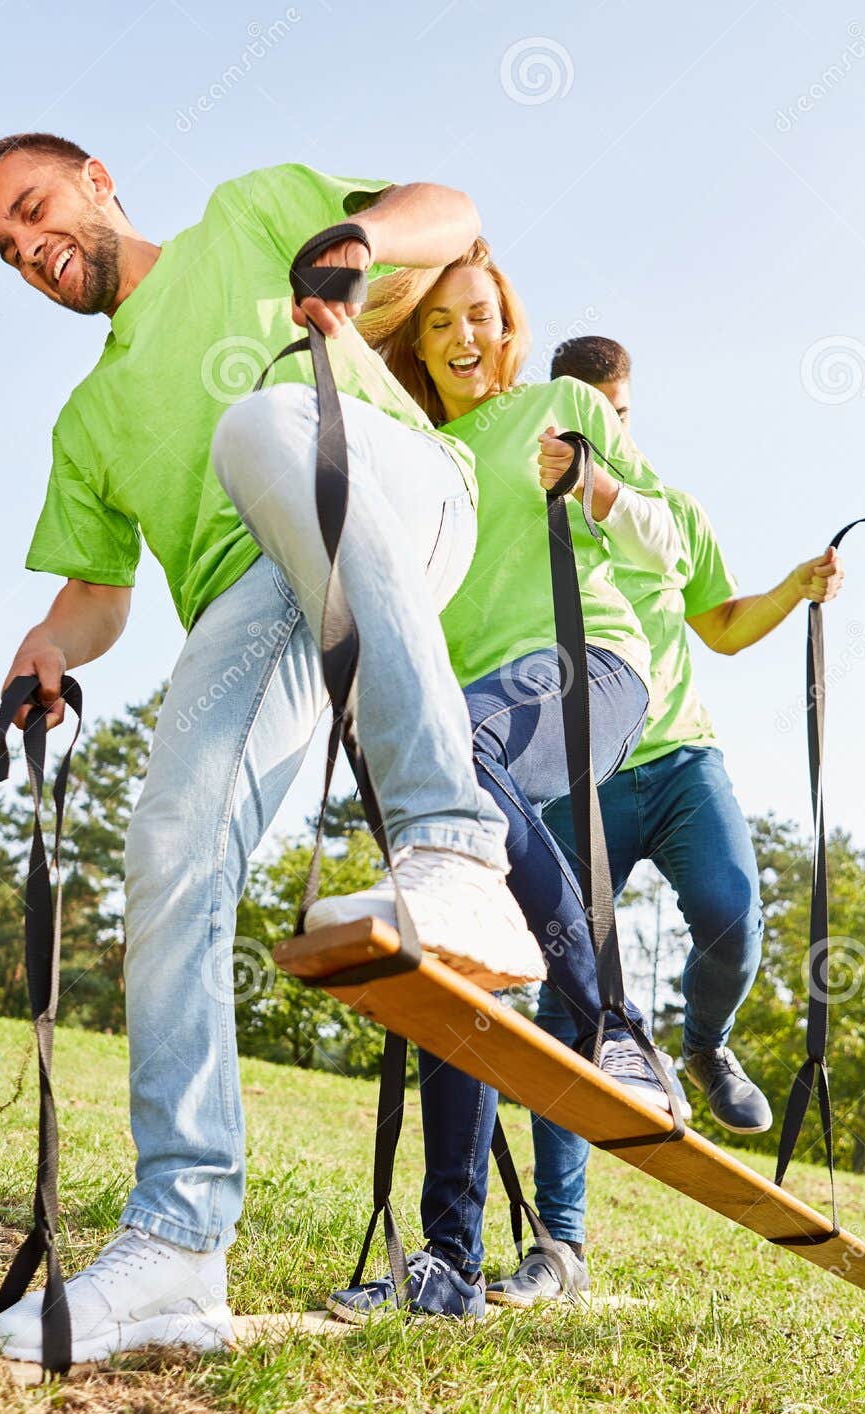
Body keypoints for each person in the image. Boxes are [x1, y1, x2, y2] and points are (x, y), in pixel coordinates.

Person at [0, 132, 543, 1367]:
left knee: (256, 425)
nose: (28, 246)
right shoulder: (89, 416)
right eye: (6, 248)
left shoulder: (249, 206)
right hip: (262, 609)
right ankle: (178, 1240)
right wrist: (45, 645)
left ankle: (454, 843)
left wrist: (359, 247)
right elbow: (98, 595)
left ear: (100, 177)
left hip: (387, 487)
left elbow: (451, 205)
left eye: (32, 207)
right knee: (167, 845)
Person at [322, 243, 687, 1323]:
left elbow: (664, 543)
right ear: (415, 348)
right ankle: (445, 1261)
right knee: (462, 967)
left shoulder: (562, 401)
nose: (464, 338)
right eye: (438, 326)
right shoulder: (412, 450)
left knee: (457, 749)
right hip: (466, 704)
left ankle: (609, 1018)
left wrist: (591, 479)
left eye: (478, 315)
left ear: (508, 320)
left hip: (589, 671)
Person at [488, 334, 846, 1308]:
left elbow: (720, 625)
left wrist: (792, 589)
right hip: (580, 773)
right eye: (588, 411)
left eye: (619, 411)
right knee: (565, 997)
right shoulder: (524, 491)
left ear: (624, 413)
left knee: (731, 914)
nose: (607, 427)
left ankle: (700, 1041)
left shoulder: (668, 509)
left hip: (681, 758)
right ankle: (556, 1244)